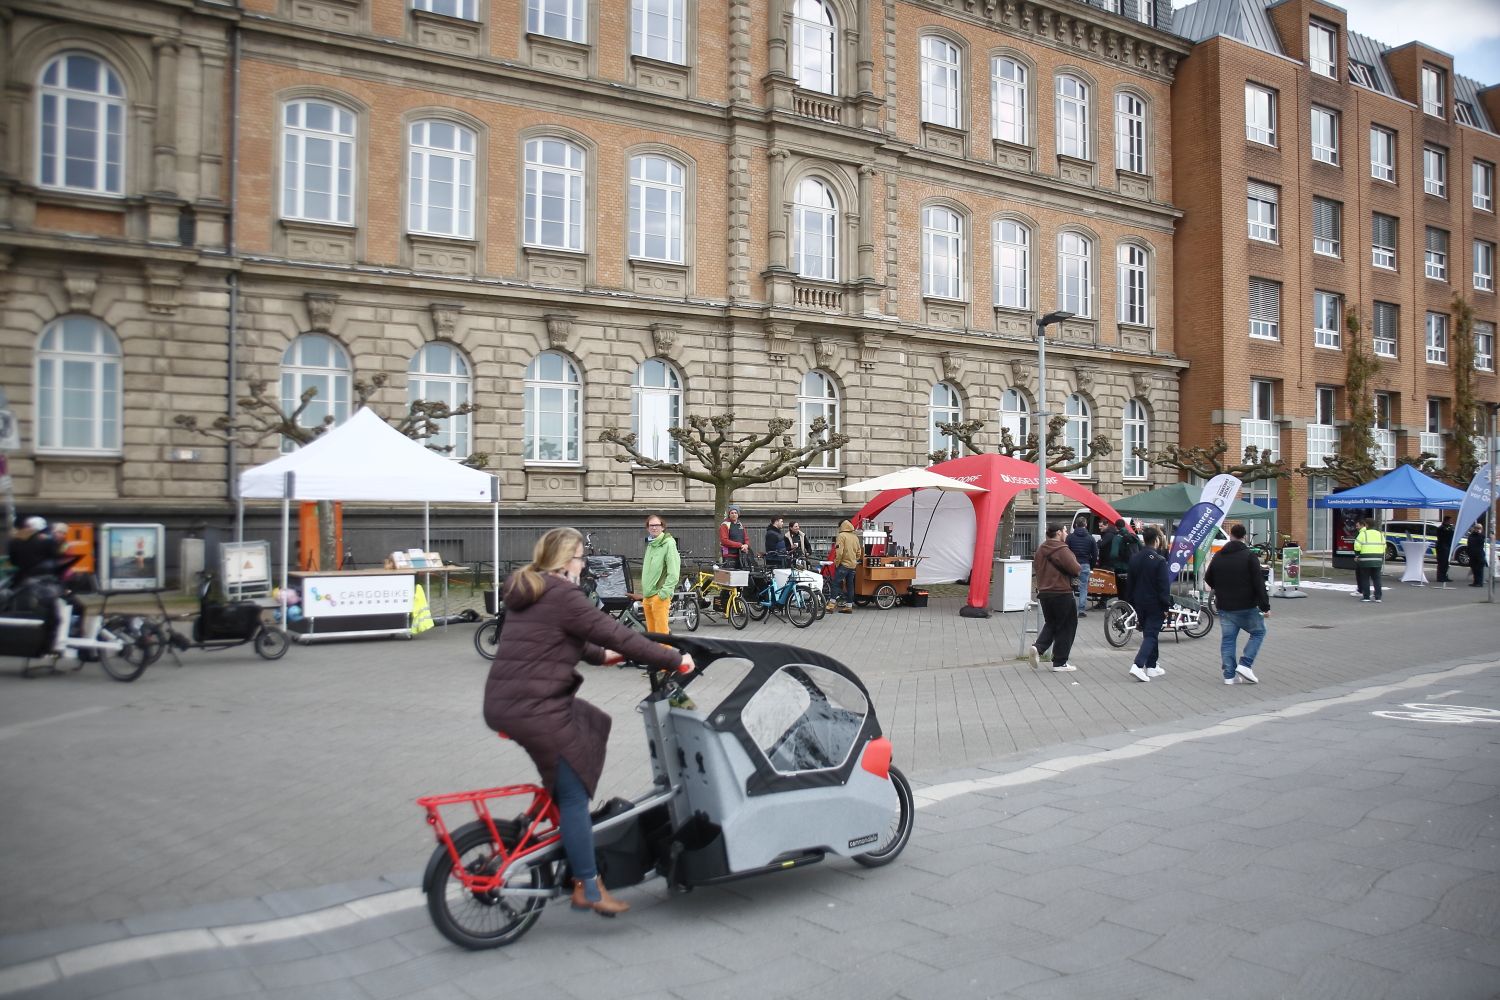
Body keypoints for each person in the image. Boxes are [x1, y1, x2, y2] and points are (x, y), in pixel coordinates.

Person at [483, 527, 692, 917]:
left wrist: (605, 657)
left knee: (591, 721)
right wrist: (672, 657)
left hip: (510, 702)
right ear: (565, 561)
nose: (583, 565)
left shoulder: (531, 590)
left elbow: (573, 641)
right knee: (575, 792)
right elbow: (617, 634)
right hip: (536, 707)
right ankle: (588, 885)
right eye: (580, 558)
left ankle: (551, 815)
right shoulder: (562, 593)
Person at [1205, 522, 1269, 685]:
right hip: (1247, 605)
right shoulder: (1249, 556)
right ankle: (1245, 664)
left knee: (1228, 640)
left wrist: (1220, 588)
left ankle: (1229, 675)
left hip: (1225, 606)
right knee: (1259, 632)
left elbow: (1208, 577)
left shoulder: (1219, 555)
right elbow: (1258, 583)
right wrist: (1265, 606)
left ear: (1231, 535)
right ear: (1244, 537)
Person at [1027, 523, 1082, 673]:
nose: (1066, 533)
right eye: (1065, 530)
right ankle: (1060, 662)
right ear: (1058, 533)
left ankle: (1038, 648)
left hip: (1044, 593)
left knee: (1052, 623)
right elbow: (1076, 569)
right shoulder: (1062, 549)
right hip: (1062, 592)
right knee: (1067, 626)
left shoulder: (1040, 550)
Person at [1125, 526, 1171, 683]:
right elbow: (1164, 586)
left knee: (1149, 633)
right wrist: (1166, 606)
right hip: (1155, 603)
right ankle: (1138, 665)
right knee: (1151, 634)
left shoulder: (1135, 558)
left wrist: (1131, 600)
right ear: (1157, 540)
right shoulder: (1159, 561)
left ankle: (1152, 665)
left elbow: (1129, 583)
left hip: (1139, 602)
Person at [639, 514, 680, 636]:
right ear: (647, 528)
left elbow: (674, 573)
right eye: (651, 525)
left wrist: (663, 594)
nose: (654, 528)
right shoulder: (651, 544)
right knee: (652, 635)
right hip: (647, 596)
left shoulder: (668, 544)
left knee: (662, 635)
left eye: (657, 525)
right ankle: (654, 655)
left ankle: (666, 655)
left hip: (659, 597)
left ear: (663, 527)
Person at [6, 516, 61, 583]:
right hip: (45, 578)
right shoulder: (47, 541)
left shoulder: (14, 542)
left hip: (22, 578)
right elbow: (55, 557)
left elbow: (13, 561)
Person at [1066, 520, 1099, 618]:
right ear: (1086, 524)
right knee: (1083, 588)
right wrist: (1091, 565)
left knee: (1069, 586)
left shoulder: (1070, 537)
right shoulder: (1090, 538)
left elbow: (1066, 551)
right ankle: (1081, 610)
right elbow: (1095, 553)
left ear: (1076, 525)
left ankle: (1069, 609)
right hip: (1085, 564)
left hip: (1072, 564)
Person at [1352, 517, 1386, 602]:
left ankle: (1366, 597)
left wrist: (1357, 555)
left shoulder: (1363, 534)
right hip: (1378, 558)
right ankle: (1378, 597)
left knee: (1365, 578)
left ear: (1366, 525)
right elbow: (1384, 546)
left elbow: (1357, 546)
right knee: (1377, 578)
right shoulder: (1380, 534)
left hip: (1365, 558)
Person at [833, 519, 862, 612]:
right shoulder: (855, 537)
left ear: (841, 526)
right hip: (852, 566)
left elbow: (839, 552)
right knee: (850, 586)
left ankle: (830, 605)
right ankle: (849, 606)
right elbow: (859, 552)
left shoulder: (841, 536)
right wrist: (854, 560)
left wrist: (837, 562)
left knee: (835, 584)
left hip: (843, 565)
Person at [1106, 518, 1141, 594]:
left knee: (1121, 591)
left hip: (1120, 568)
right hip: (1132, 567)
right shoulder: (1133, 536)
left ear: (1116, 527)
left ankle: (1122, 605)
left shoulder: (1117, 537)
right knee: (1131, 590)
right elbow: (1141, 548)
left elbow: (1113, 554)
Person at [1467, 521, 1487, 587]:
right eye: (1476, 528)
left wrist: (1479, 533)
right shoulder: (1472, 535)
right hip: (1473, 555)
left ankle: (1479, 583)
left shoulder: (1481, 536)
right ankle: (1475, 582)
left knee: (1479, 570)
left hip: (1479, 555)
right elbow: (1470, 542)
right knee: (1474, 569)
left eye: (1479, 528)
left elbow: (1481, 540)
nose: (1477, 529)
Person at [1435, 516, 1455, 584]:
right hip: (1442, 547)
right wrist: (1451, 530)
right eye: (1449, 521)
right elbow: (1446, 535)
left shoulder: (1449, 527)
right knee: (1442, 563)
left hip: (1447, 547)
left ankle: (1444, 576)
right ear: (1446, 521)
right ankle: (1440, 577)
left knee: (1446, 563)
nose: (1450, 522)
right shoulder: (1441, 528)